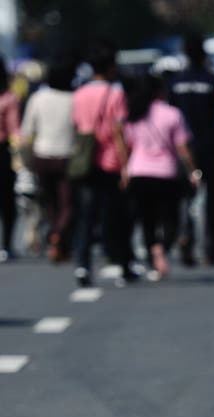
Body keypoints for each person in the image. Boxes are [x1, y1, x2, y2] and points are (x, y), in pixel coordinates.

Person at [118, 75, 201, 281]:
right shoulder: (172, 113)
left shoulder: (135, 114)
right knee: (170, 219)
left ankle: (153, 253)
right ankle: (162, 248)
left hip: (139, 171)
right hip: (166, 172)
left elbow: (126, 143)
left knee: (147, 220)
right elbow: (183, 147)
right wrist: (193, 170)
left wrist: (125, 170)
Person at [71, 38, 136, 287]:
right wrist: (125, 165)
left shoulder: (79, 94)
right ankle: (119, 262)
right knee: (114, 216)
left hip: (86, 162)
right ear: (111, 67)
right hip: (109, 161)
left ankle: (82, 265)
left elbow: (78, 126)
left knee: (86, 217)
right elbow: (118, 132)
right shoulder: (116, 94)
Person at [169, 32, 214, 266]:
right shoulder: (213, 81)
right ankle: (211, 249)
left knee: (185, 197)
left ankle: (185, 233)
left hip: (183, 149)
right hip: (209, 147)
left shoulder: (175, 82)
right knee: (213, 201)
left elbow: (168, 117)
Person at [21, 62, 76, 262]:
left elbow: (26, 131)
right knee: (68, 203)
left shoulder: (38, 99)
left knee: (50, 202)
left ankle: (55, 234)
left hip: (41, 156)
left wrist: (24, 159)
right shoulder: (73, 99)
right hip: (67, 156)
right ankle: (59, 236)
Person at [0, 56, 20, 263]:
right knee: (7, 201)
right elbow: (14, 130)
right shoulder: (8, 98)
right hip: (2, 153)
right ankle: (6, 244)